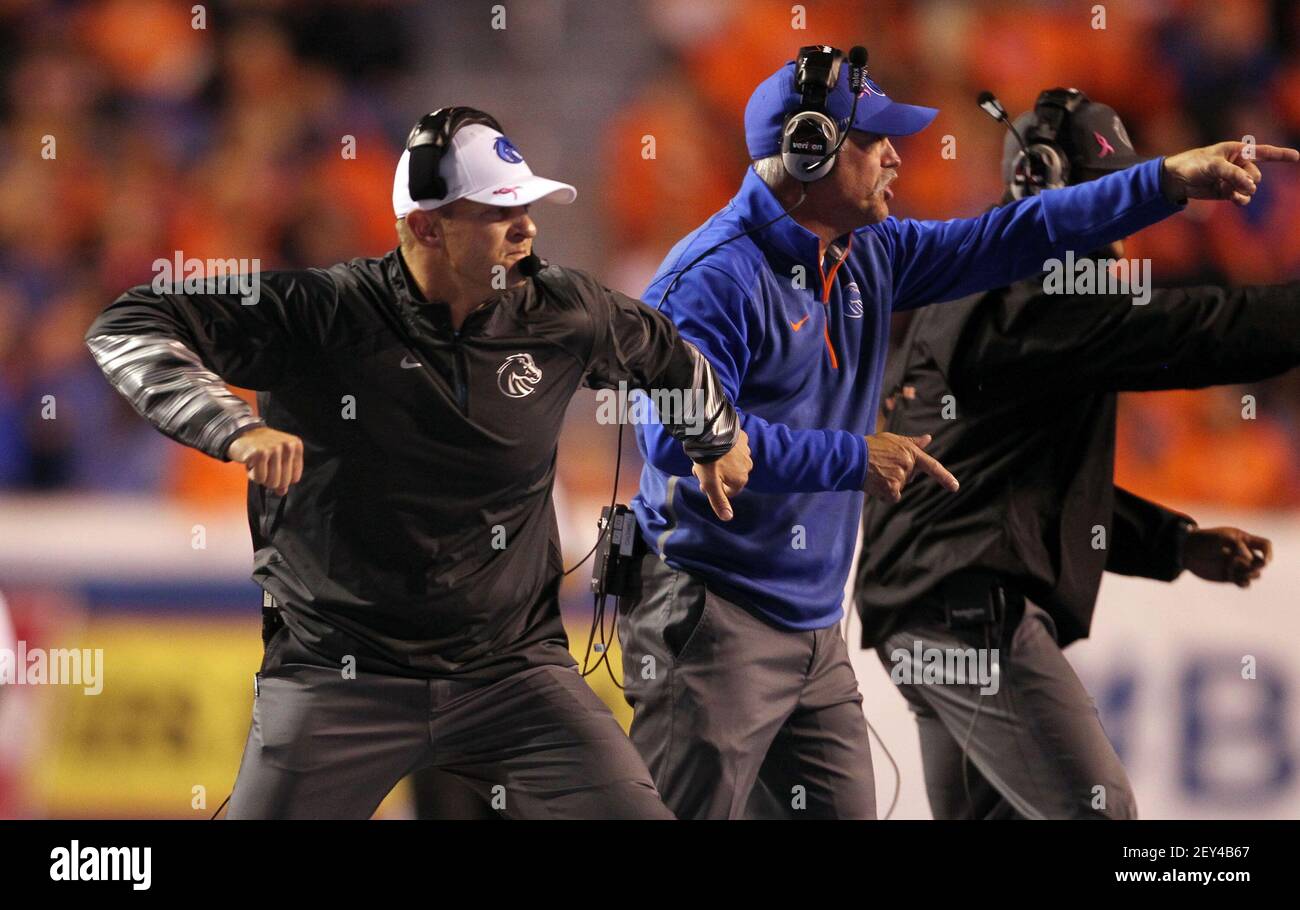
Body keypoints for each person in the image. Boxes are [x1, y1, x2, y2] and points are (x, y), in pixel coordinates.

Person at [618, 44, 1298, 820]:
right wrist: (851, 458)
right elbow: (678, 442)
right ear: (808, 151)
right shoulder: (710, 278)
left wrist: (1168, 184)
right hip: (713, 613)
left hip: (814, 627)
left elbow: (1013, 234)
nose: (894, 158)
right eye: (872, 141)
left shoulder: (868, 250)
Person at [84, 107, 752, 820]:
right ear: (427, 226)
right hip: (339, 679)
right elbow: (125, 324)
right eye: (501, 211)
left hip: (513, 676)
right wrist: (230, 426)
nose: (527, 227)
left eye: (526, 205)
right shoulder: (324, 312)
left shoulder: (564, 311)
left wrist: (713, 436)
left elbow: (663, 353)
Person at [855, 89, 1295, 819]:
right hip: (963, 607)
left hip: (928, 606)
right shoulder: (1032, 298)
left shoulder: (990, 290)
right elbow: (1206, 330)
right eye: (1116, 200)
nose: (1130, 229)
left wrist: (1176, 543)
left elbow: (1006, 483)